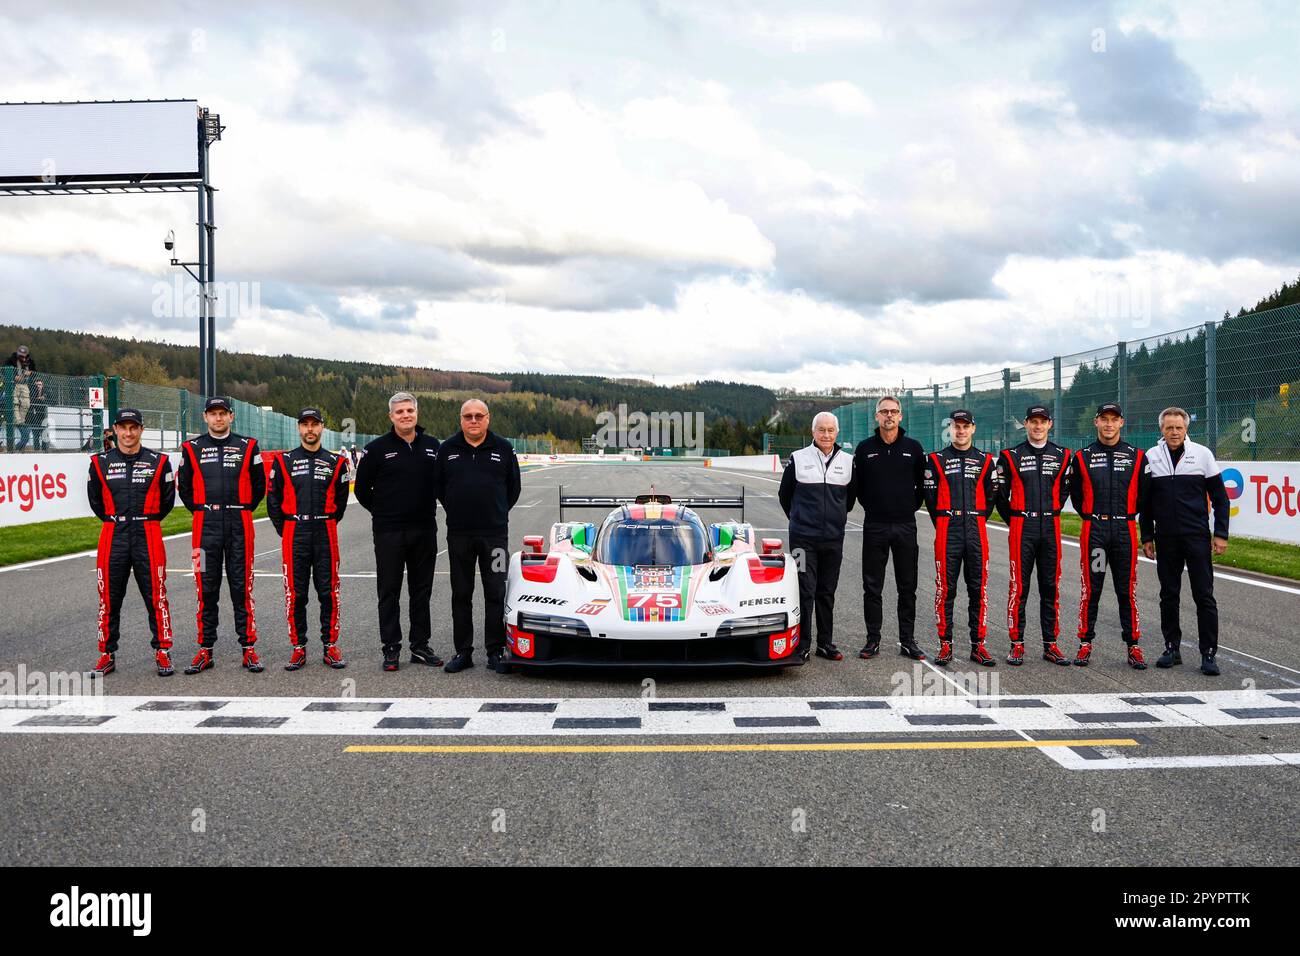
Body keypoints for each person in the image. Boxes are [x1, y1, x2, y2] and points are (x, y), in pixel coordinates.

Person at [354, 391, 443, 672]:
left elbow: (442, 484)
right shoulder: (377, 448)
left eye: (410, 411)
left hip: (424, 529)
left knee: (421, 590)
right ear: (391, 416)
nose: (406, 415)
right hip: (389, 532)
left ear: (417, 413)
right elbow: (361, 490)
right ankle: (391, 648)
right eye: (400, 412)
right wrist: (383, 514)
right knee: (389, 591)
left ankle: (420, 645)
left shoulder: (432, 446)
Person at [177, 396, 266, 674]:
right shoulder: (191, 448)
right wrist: (204, 510)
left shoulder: (248, 446)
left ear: (231, 416)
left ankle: (248, 649)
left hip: (240, 522)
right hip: (205, 526)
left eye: (223, 413)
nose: (218, 418)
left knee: (242, 588)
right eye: (213, 414)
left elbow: (259, 485)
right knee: (206, 588)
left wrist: (240, 508)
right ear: (205, 417)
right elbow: (184, 487)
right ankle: (205, 649)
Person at [1140, 408, 1231, 676]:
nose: (1174, 433)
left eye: (1179, 428)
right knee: (1168, 595)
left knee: (1204, 595)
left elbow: (1220, 498)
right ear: (1162, 430)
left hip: (1197, 537)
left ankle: (1209, 653)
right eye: (1169, 428)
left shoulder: (1202, 455)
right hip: (1165, 538)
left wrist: (1221, 534)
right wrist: (1147, 536)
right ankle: (1172, 648)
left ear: (1186, 428)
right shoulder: (1151, 457)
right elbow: (1145, 504)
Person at [86, 408, 176, 677]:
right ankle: (106, 654)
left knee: (156, 597)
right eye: (123, 427)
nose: (128, 433)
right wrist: (116, 519)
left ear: (141, 430)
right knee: (109, 598)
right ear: (115, 429)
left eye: (133, 427)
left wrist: (144, 519)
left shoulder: (159, 461)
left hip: (147, 531)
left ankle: (163, 652)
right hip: (113, 532)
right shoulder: (99, 462)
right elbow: (96, 503)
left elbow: (167, 502)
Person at [435, 399, 522, 674]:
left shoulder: (503, 448)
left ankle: (495, 651)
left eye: (478, 416)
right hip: (459, 535)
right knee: (461, 593)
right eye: (468, 416)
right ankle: (463, 652)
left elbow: (513, 488)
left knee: (495, 592)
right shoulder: (447, 449)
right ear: (461, 420)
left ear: (488, 418)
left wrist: (495, 513)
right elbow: (440, 487)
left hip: (494, 536)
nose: (473, 421)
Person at [1068, 402, 1151, 669]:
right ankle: (1084, 644)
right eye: (1104, 419)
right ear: (1096, 422)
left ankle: (1134, 646)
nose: (1109, 424)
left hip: (1124, 531)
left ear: (1121, 423)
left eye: (1114, 419)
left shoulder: (1137, 456)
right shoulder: (1082, 457)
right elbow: (1077, 496)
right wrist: (1093, 517)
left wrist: (1127, 517)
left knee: (1126, 590)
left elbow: (1144, 496)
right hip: (1096, 532)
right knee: (1092, 589)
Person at [268, 407, 351, 671]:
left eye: (315, 424)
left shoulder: (337, 462)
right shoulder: (284, 461)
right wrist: (288, 528)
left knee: (328, 593)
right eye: (305, 424)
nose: (310, 429)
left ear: (322, 428)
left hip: (326, 531)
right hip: (294, 531)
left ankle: (330, 646)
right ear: (299, 428)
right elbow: (273, 501)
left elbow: (340, 502)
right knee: (296, 594)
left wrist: (324, 521)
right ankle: (298, 648)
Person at [994, 405, 1073, 665]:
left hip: (1050, 527)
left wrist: (1050, 512)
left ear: (1050, 424)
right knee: (1019, 587)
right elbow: (1000, 495)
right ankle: (1017, 644)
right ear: (1026, 424)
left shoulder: (1063, 455)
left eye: (1043, 422)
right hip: (1022, 527)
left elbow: (1064, 490)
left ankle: (1051, 644)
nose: (1038, 427)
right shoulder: (1010, 455)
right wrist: (1015, 519)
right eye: (1033, 422)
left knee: (1050, 586)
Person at [852, 395, 927, 661]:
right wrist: (875, 508)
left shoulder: (914, 448)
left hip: (906, 525)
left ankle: (907, 640)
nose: (889, 416)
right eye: (884, 411)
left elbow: (922, 487)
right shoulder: (864, 449)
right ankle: (873, 640)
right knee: (872, 587)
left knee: (908, 587)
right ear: (876, 416)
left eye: (893, 411)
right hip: (875, 526)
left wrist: (907, 508)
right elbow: (857, 488)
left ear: (901, 415)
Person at [778, 411, 855, 661]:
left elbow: (849, 500)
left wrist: (834, 519)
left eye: (830, 430)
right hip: (803, 539)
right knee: (804, 590)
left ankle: (825, 644)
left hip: (833, 539)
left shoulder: (847, 460)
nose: (826, 434)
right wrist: (800, 521)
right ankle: (802, 644)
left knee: (826, 591)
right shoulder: (797, 458)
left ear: (837, 432)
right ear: (813, 432)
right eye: (821, 429)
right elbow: (784, 495)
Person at [923, 410, 998, 666]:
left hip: (976, 528)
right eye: (957, 426)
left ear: (973, 429)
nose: (961, 431)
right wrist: (947, 520)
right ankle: (946, 645)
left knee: (978, 590)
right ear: (950, 428)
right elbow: (931, 501)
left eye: (966, 426)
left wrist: (975, 517)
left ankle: (978, 646)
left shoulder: (986, 461)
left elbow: (991, 498)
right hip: (947, 528)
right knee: (946, 590)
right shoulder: (935, 460)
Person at [4, 345, 35, 433]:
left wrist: (30, 373)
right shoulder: (10, 360)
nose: (23, 358)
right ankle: (17, 421)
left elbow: (35, 372)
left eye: (24, 356)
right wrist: (14, 377)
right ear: (18, 354)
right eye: (21, 356)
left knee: (26, 404)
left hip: (25, 385)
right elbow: (3, 371)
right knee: (15, 403)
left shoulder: (31, 362)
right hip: (14, 385)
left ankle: (21, 421)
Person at [17, 379, 48, 451]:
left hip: (43, 417)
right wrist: (40, 399)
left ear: (42, 385)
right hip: (34, 418)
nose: (38, 386)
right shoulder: (32, 392)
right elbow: (32, 401)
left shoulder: (46, 392)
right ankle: (37, 450)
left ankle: (44, 450)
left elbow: (51, 400)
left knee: (44, 435)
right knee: (36, 435)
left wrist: (41, 399)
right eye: (37, 385)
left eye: (40, 384)